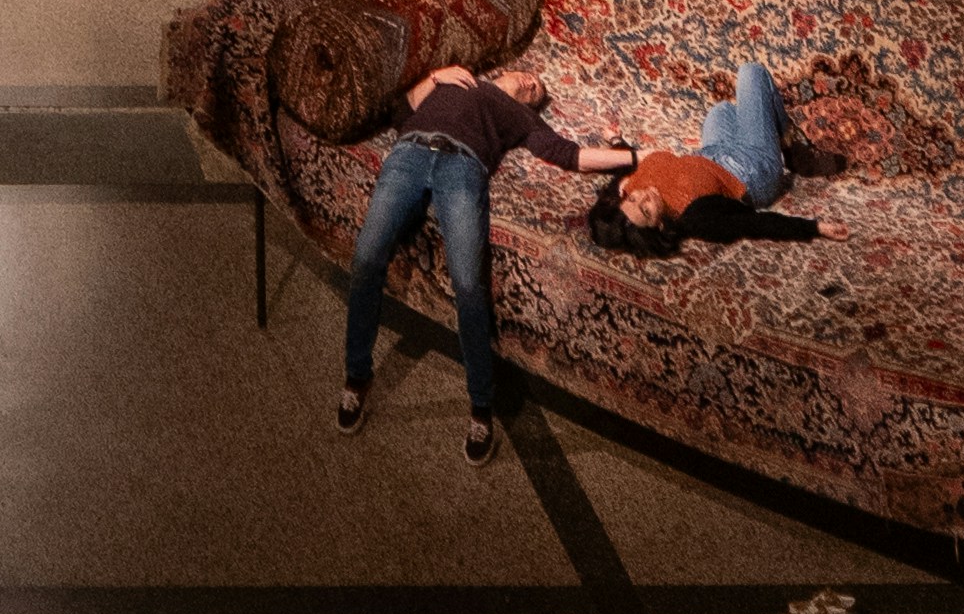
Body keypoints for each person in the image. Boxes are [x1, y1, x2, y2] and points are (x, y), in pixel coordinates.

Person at [339, 59, 580, 463]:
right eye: (531, 77)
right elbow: (401, 111)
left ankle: (482, 406)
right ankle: (356, 378)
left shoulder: (518, 115)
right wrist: (433, 78)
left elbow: (564, 152)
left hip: (462, 166)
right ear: (508, 72)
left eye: (536, 90)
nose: (531, 83)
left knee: (468, 282)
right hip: (410, 154)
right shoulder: (457, 79)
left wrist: (629, 158)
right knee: (366, 256)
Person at [589, 51, 818, 258]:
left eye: (633, 199)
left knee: (722, 111)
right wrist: (814, 228)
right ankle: (794, 150)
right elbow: (754, 223)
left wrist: (616, 141)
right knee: (751, 73)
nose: (644, 197)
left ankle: (770, 132)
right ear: (658, 226)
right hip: (753, 171)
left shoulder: (629, 188)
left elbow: (627, 166)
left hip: (714, 153)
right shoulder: (695, 218)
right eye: (646, 211)